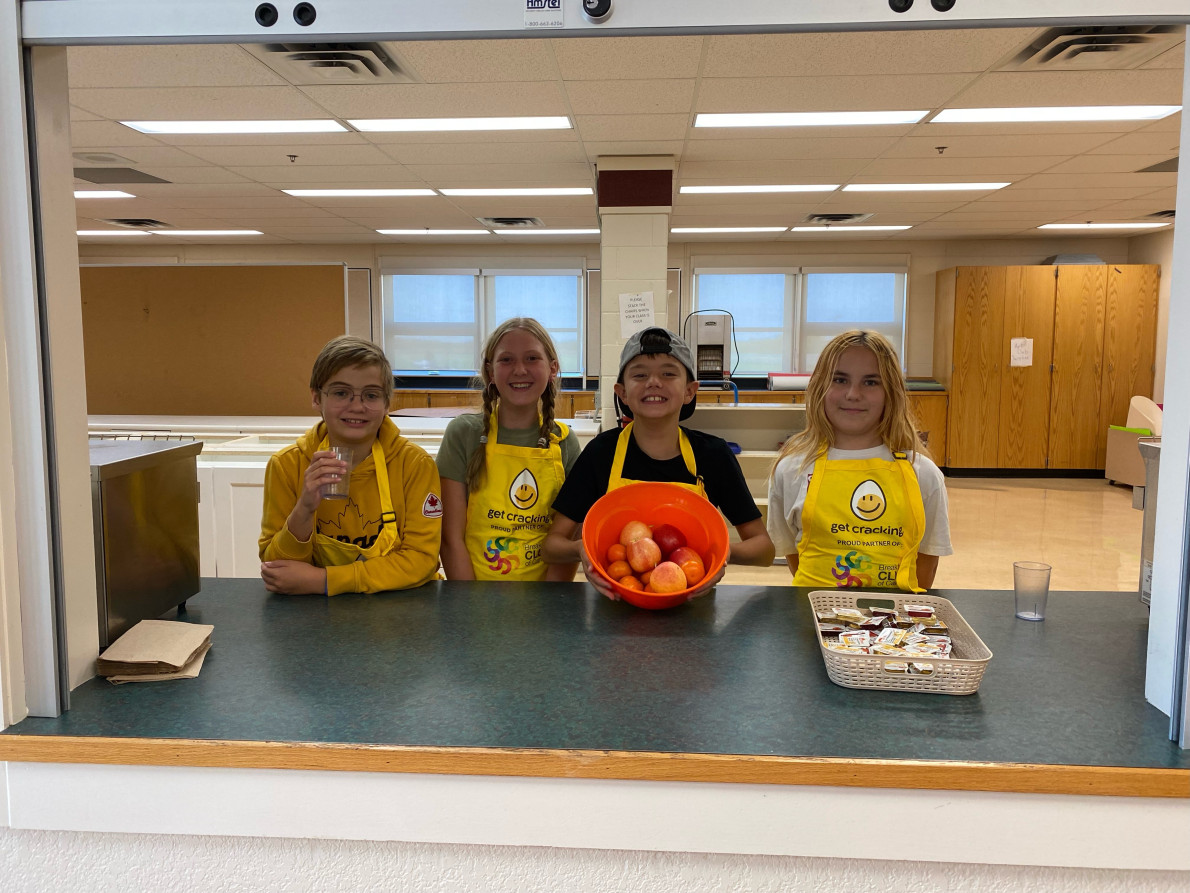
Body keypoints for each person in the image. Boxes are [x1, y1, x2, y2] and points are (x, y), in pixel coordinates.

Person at [543, 326, 775, 597]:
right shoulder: (601, 453)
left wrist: (718, 554)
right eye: (640, 375)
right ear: (622, 393)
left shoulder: (713, 455)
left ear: (690, 390)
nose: (653, 382)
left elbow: (764, 550)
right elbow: (551, 546)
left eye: (668, 373)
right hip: (615, 609)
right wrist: (579, 550)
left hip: (693, 612)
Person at [766, 330, 951, 592]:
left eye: (871, 382)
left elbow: (927, 564)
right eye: (840, 379)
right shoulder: (790, 470)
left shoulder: (923, 473)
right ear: (820, 386)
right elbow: (796, 558)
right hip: (812, 619)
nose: (853, 394)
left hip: (895, 626)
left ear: (892, 392)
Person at [258, 335, 442, 594]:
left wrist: (324, 581)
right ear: (316, 398)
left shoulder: (414, 465)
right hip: (314, 616)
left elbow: (421, 560)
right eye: (341, 393)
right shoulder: (287, 465)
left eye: (371, 395)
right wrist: (304, 509)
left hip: (403, 609)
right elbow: (276, 566)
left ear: (387, 403)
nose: (357, 406)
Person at [436, 317, 581, 581]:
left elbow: (569, 535)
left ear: (552, 369)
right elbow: (450, 538)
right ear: (491, 372)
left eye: (532, 358)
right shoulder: (464, 434)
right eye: (507, 360)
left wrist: (551, 605)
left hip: (543, 602)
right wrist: (468, 606)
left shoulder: (565, 442)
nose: (520, 370)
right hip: (473, 597)